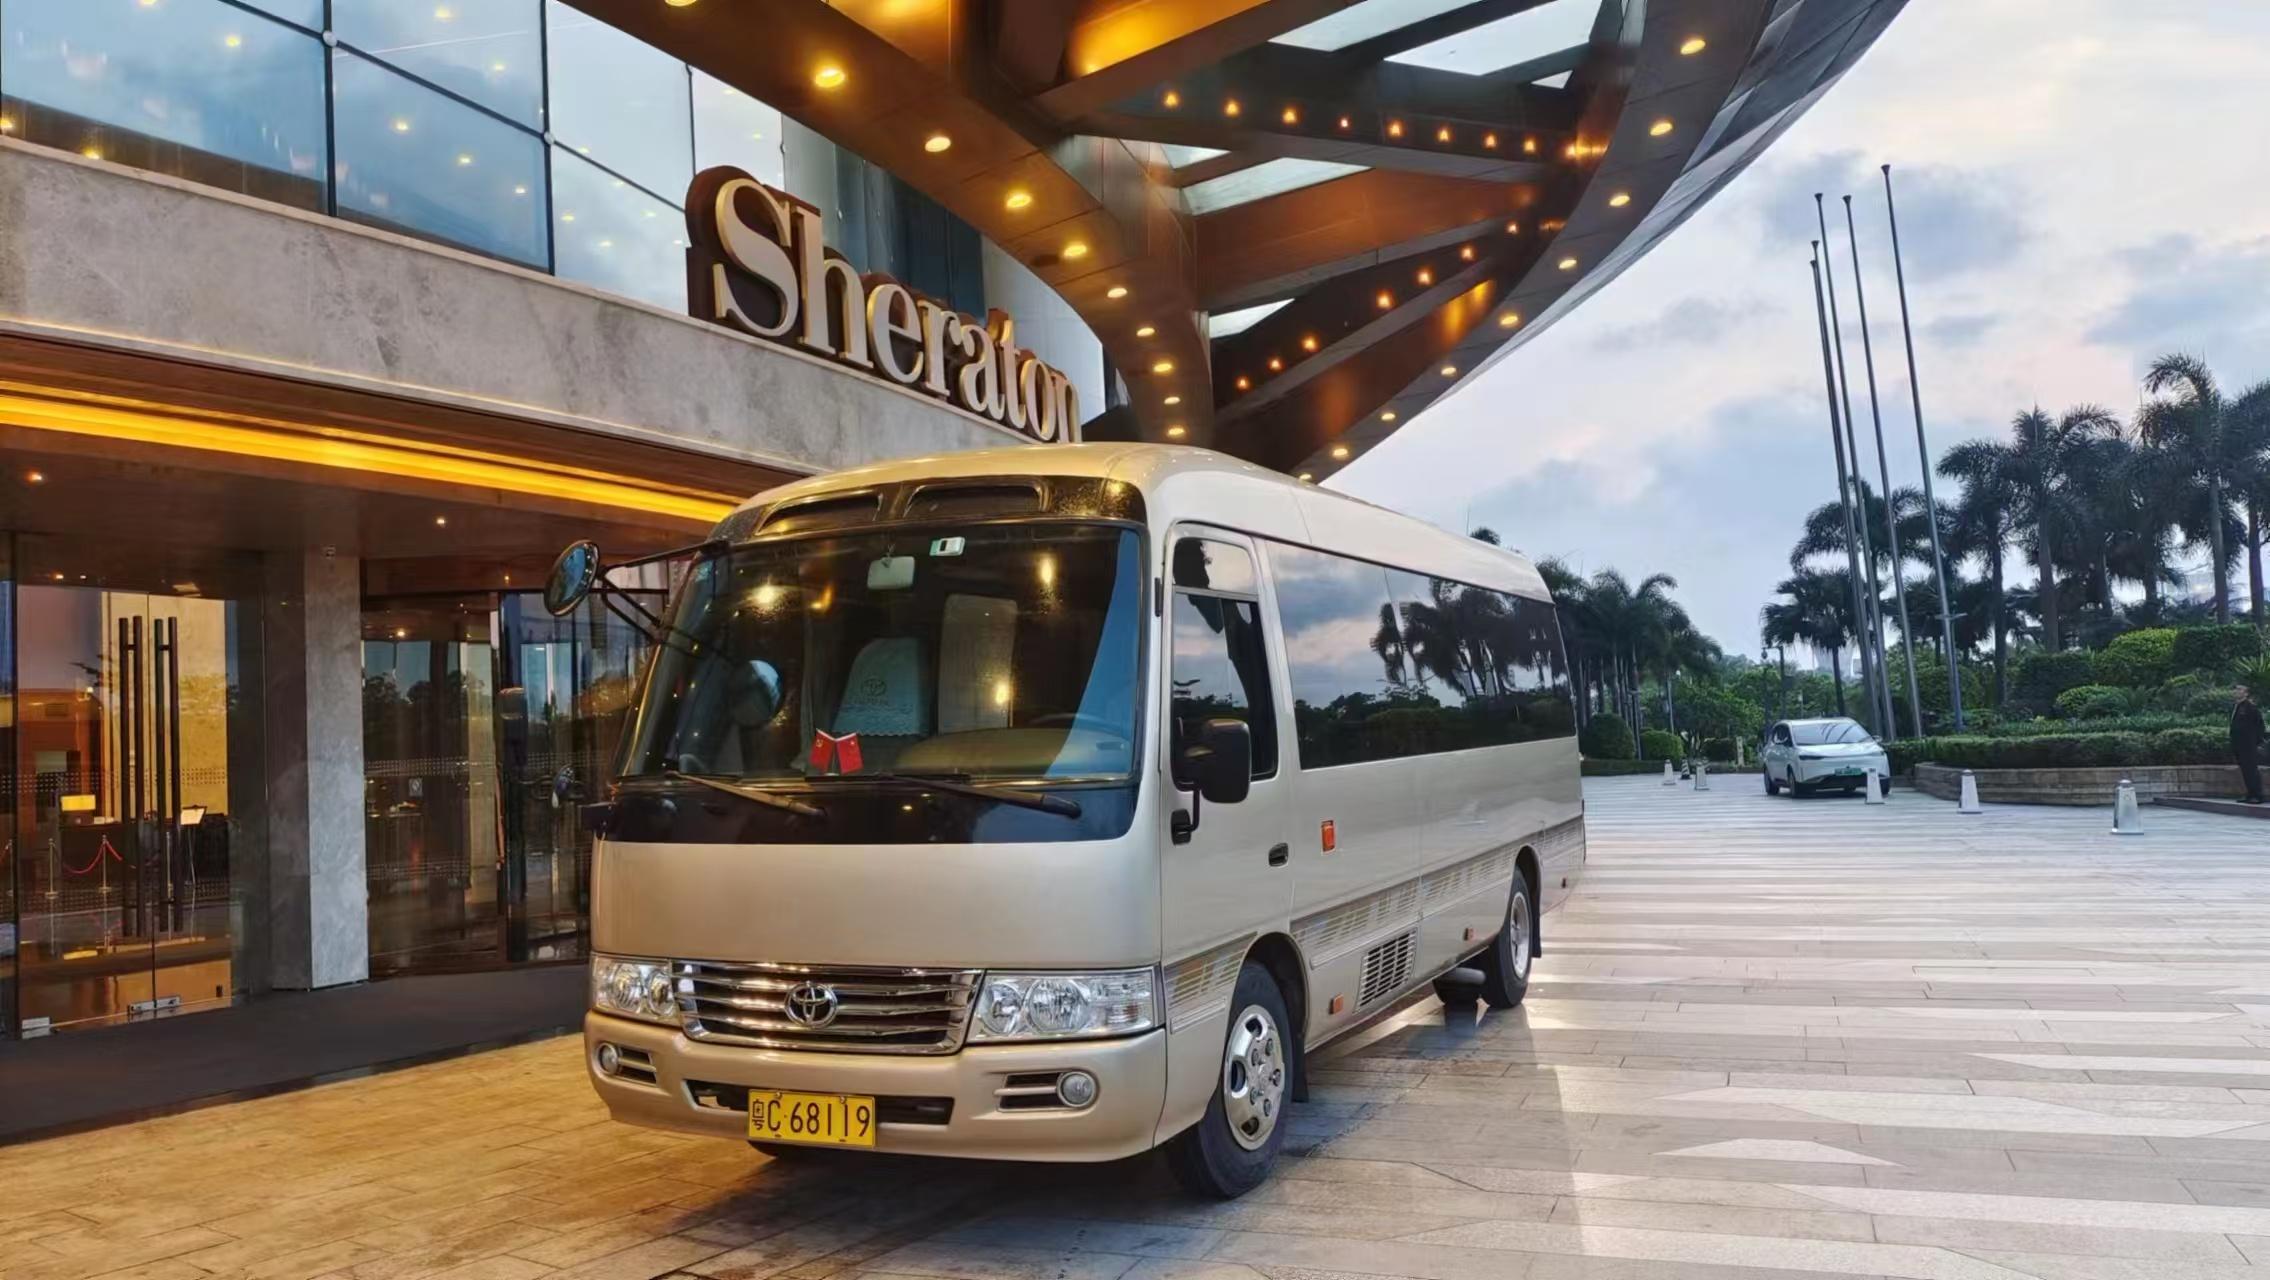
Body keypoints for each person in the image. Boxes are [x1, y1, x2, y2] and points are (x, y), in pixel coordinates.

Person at [2235, 684, 2265, 804]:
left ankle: (2257, 795)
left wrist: (2255, 741)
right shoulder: (2237, 706)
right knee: (2245, 771)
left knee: (2252, 770)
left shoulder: (2250, 707)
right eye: (2236, 689)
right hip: (2240, 745)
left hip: (2249, 745)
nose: (2237, 691)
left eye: (2240, 690)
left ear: (2246, 693)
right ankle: (2250, 794)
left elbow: (2260, 726)